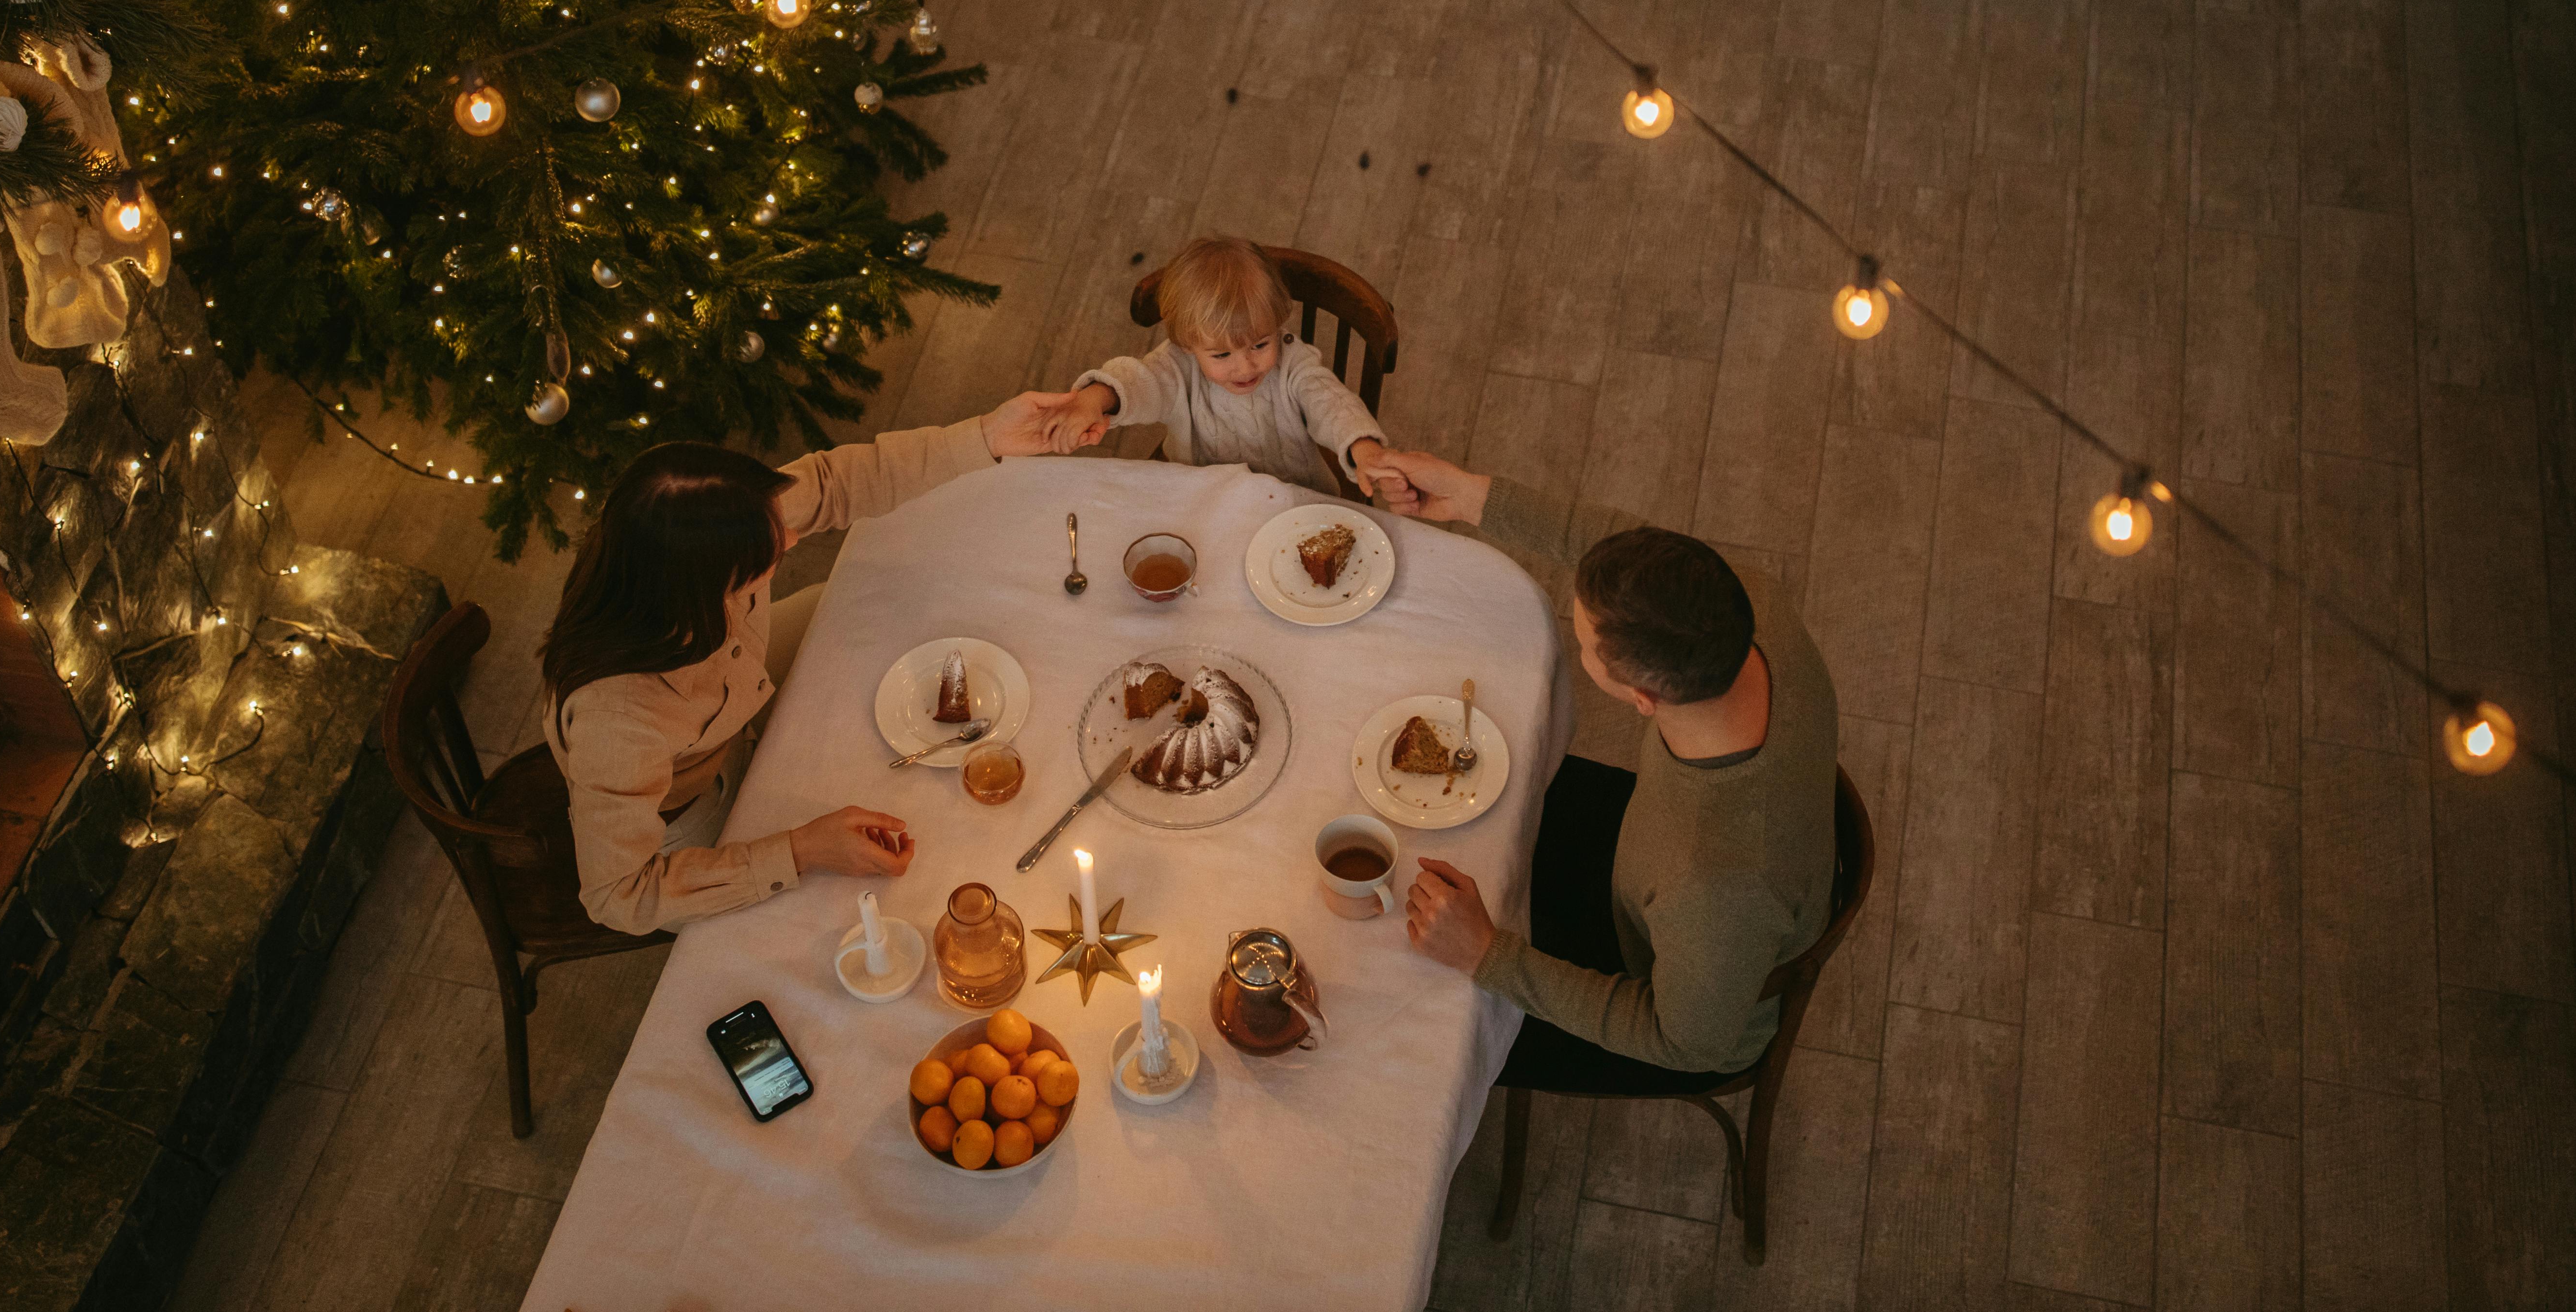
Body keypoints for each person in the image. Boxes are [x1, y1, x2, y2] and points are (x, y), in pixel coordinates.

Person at [1373, 447, 1837, 1083]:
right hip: (1652, 866)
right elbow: (1622, 555)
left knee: (1407, 1029)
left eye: (1586, 644)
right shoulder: (1748, 601)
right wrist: (1470, 494)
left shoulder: (1721, 885)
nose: (1576, 633)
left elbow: (1686, 1044)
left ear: (1643, 699)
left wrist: (1489, 955)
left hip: (1664, 985)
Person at [540, 393, 1075, 936]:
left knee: (861, 609)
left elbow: (832, 483)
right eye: (767, 553)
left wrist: (986, 435)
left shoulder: (690, 528)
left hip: (734, 692)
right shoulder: (619, 721)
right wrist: (799, 851)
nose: (792, 537)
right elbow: (619, 896)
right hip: (689, 803)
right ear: (705, 589)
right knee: (818, 917)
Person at [1032, 235, 1390, 498]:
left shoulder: (1292, 362)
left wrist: (1361, 444)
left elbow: (1330, 400)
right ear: (1187, 345)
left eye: (1260, 344)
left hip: (1293, 497)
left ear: (1278, 325)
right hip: (1199, 498)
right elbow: (1139, 380)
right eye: (1222, 355)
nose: (1246, 366)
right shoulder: (1177, 366)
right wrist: (1094, 399)